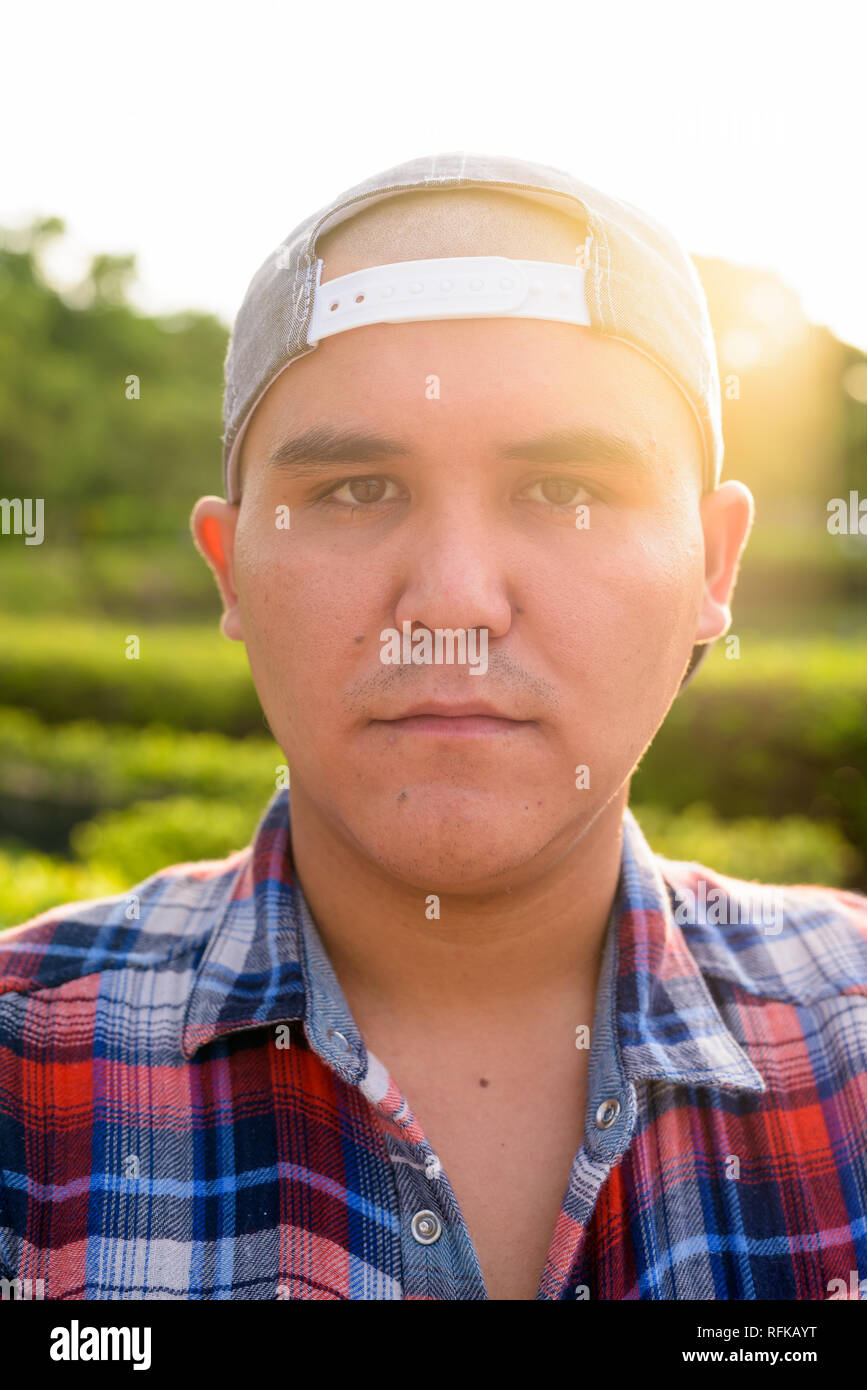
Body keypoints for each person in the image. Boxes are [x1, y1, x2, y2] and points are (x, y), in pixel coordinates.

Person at [1, 153, 865, 1302]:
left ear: (713, 565)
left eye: (567, 490)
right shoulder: (26, 1076)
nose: (453, 601)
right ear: (232, 568)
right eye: (357, 489)